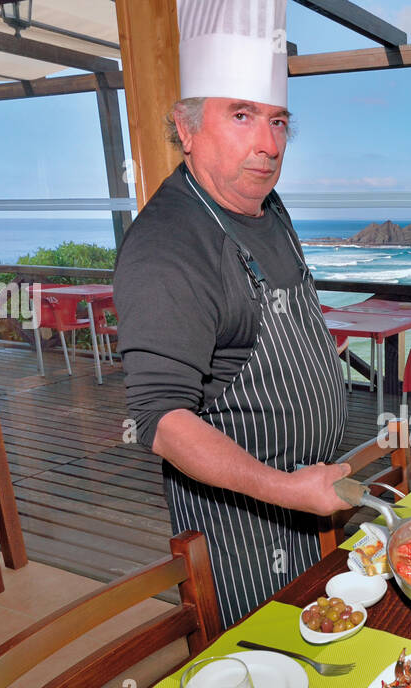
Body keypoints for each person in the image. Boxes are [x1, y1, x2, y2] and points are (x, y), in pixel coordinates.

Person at [115, 0, 350, 627]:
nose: (267, 145)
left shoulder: (268, 207)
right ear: (186, 127)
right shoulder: (169, 246)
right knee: (265, 674)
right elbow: (160, 421)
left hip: (308, 496)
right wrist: (286, 490)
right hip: (241, 521)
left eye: (278, 122)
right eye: (241, 115)